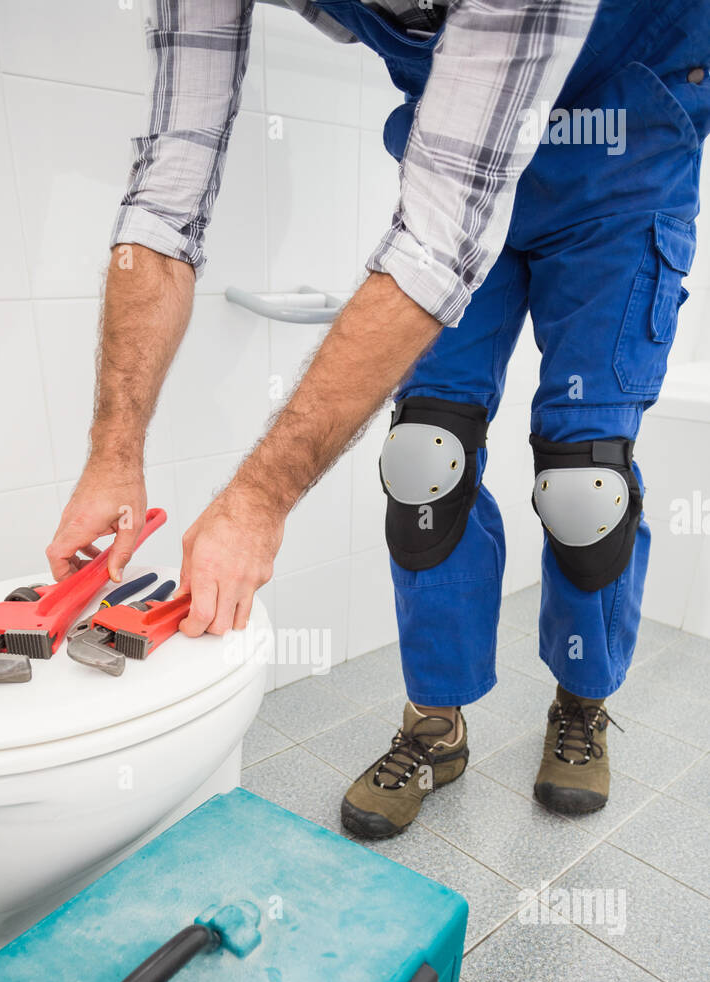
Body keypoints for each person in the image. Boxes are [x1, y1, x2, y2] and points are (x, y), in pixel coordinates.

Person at [47, 0, 710, 838]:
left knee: (587, 483)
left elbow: (437, 246)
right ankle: (436, 723)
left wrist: (257, 501)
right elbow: (165, 198)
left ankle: (581, 701)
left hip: (625, 165)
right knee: (423, 457)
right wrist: (114, 452)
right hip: (459, 157)